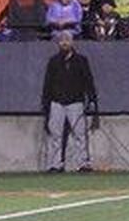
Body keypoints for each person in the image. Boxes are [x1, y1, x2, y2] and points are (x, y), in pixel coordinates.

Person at [41, 32, 97, 172]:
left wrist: (92, 99)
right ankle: (55, 164)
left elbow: (88, 80)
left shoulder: (81, 60)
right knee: (55, 135)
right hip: (57, 102)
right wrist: (46, 103)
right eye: (61, 40)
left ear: (72, 42)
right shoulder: (53, 61)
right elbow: (47, 83)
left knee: (80, 134)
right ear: (58, 43)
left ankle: (83, 163)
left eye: (67, 40)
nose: (64, 43)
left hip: (76, 102)